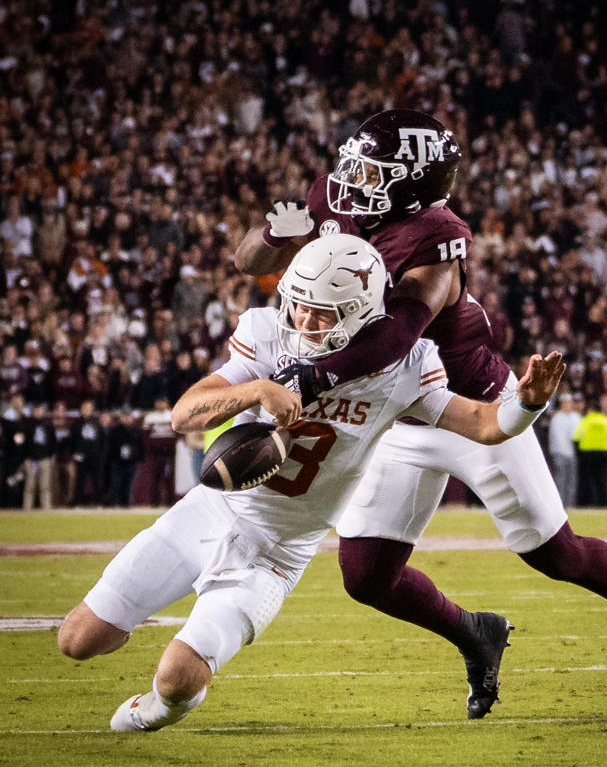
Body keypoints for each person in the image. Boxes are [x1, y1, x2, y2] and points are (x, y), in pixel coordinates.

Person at [235, 109, 607, 701]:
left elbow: (397, 336)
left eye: (373, 171)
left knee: (556, 554)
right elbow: (249, 262)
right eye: (355, 164)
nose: (352, 180)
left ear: (412, 184)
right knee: (366, 578)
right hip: (398, 414)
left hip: (473, 407)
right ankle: (474, 633)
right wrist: (274, 238)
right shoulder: (335, 199)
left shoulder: (435, 240)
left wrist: (313, 377)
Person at [57, 234, 566, 732]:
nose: (305, 320)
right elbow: (184, 416)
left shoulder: (402, 365)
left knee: (176, 680)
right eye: (299, 305)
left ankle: (152, 709)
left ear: (363, 313)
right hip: (210, 511)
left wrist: (527, 403)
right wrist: (256, 389)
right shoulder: (266, 333)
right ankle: (133, 614)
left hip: (278, 550)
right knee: (76, 640)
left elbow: (483, 425)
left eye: (324, 313)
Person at [572, 394, 607, 506]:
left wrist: (580, 454)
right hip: (603, 454)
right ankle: (603, 504)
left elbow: (576, 438)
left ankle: (585, 503)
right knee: (602, 481)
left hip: (586, 454)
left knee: (586, 481)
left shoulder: (586, 420)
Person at [547, 393, 582, 507]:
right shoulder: (556, 418)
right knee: (560, 480)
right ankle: (560, 504)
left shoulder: (576, 417)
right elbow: (555, 437)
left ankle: (570, 504)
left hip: (572, 453)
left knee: (571, 481)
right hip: (560, 453)